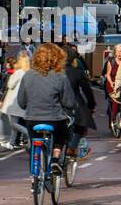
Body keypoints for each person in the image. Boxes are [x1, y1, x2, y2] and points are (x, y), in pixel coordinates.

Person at [16, 43, 78, 171]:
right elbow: (69, 103)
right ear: (57, 58)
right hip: (54, 118)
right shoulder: (60, 76)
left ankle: (35, 174)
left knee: (34, 141)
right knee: (62, 135)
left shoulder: (27, 75)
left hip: (32, 119)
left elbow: (21, 102)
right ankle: (55, 158)